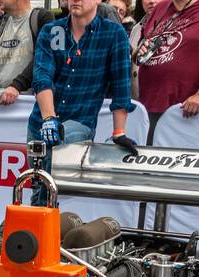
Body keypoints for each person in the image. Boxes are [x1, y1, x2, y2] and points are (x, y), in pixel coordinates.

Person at [29, 0, 134, 191]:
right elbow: (42, 76)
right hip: (41, 121)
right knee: (39, 192)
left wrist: (119, 132)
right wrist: (49, 118)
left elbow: (121, 84)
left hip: (80, 121)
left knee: (49, 185)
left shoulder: (113, 33)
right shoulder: (53, 30)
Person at [134, 0, 199, 129]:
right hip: (148, 105)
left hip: (185, 110)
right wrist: (140, 51)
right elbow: (138, 54)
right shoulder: (160, 8)